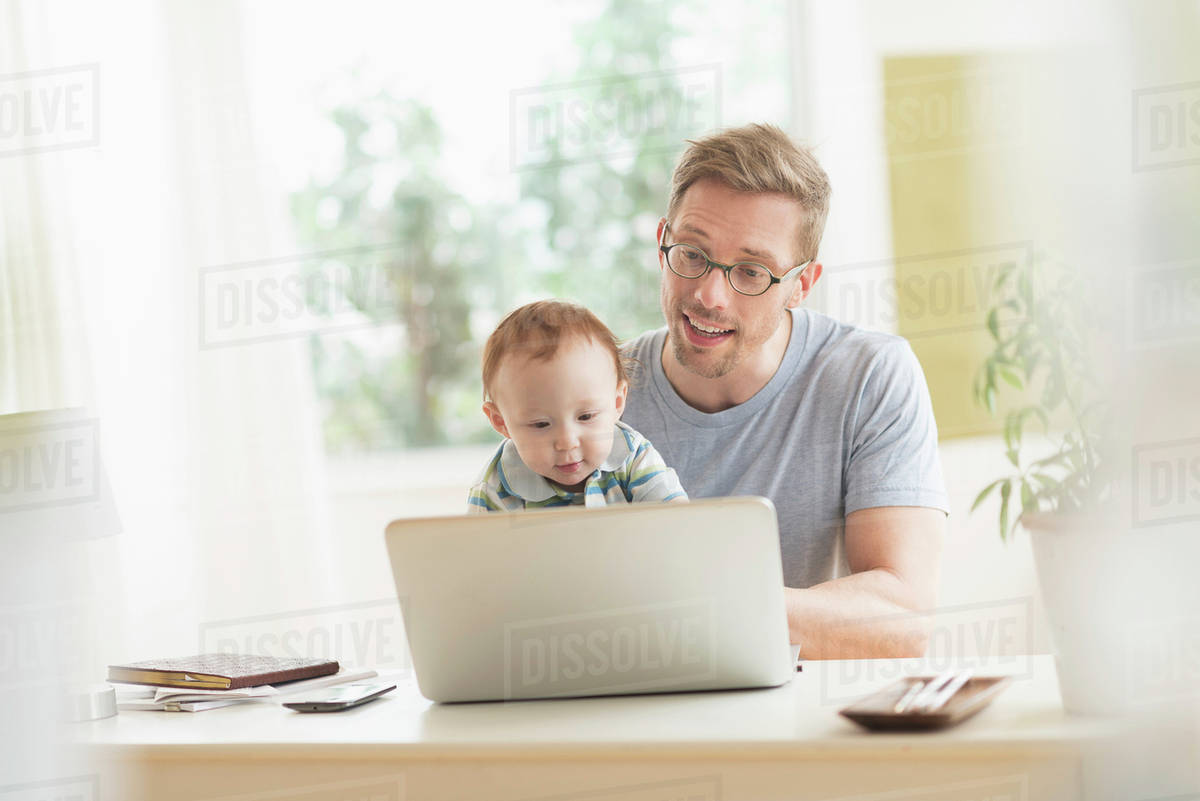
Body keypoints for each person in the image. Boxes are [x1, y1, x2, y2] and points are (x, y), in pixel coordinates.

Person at [622, 124, 949, 659]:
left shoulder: (870, 375)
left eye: (751, 272)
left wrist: (696, 608)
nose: (709, 295)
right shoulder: (597, 395)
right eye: (692, 254)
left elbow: (902, 618)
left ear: (802, 283)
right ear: (663, 242)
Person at [468, 300, 687, 512]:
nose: (567, 442)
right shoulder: (494, 489)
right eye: (541, 424)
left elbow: (677, 523)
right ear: (500, 422)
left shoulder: (633, 456)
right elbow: (480, 549)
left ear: (617, 402)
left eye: (585, 417)